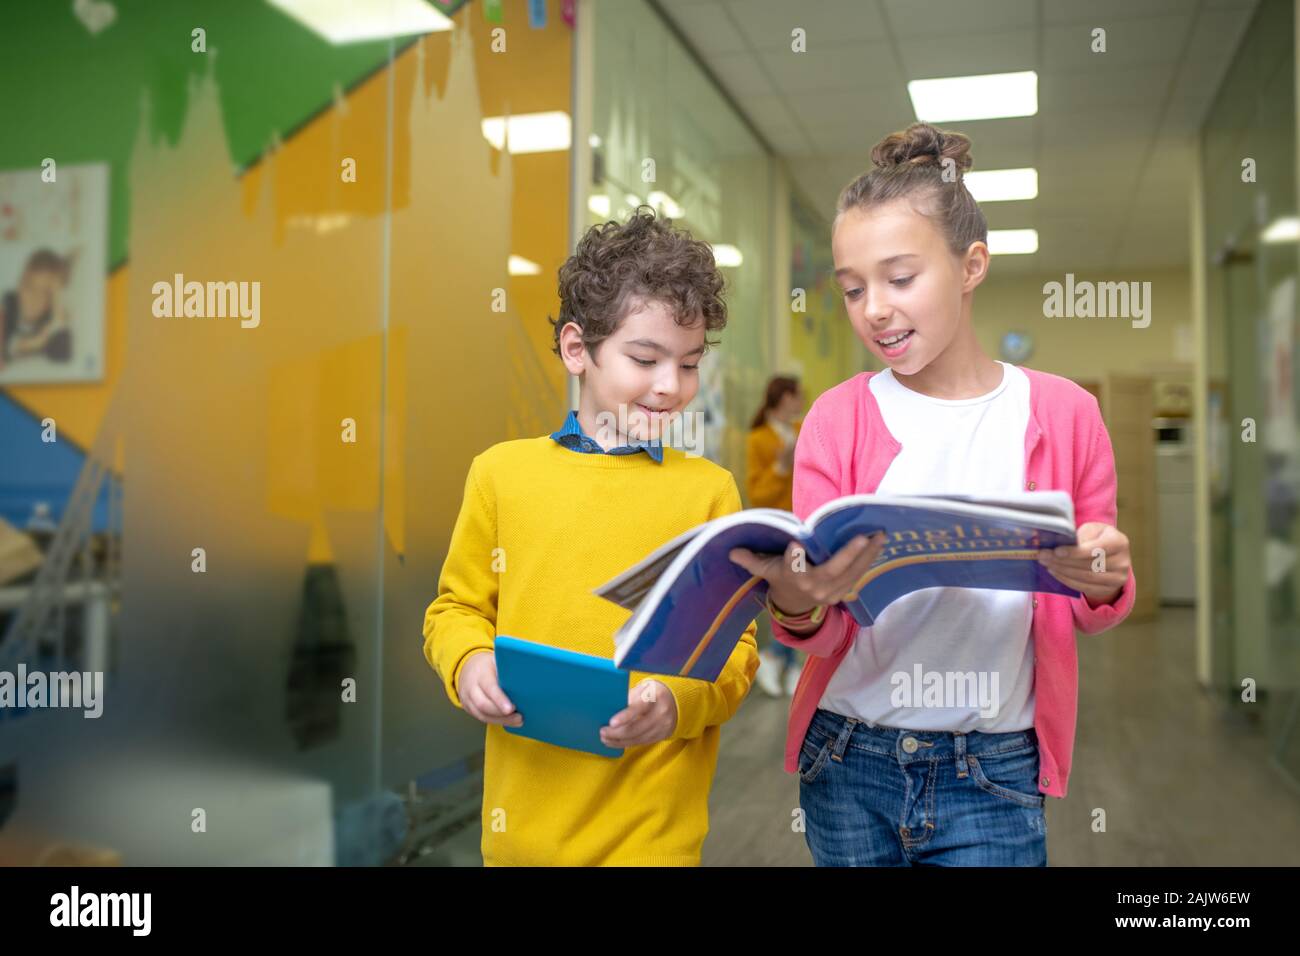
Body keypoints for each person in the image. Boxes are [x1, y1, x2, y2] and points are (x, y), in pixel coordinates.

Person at [730, 123, 1136, 866]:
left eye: (900, 278)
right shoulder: (836, 419)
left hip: (995, 769)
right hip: (846, 755)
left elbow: (1089, 599)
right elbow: (814, 626)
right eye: (852, 289)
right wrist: (795, 597)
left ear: (971, 264)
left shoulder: (1065, 413)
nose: (873, 308)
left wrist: (1104, 576)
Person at [423, 207, 758, 866]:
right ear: (578, 349)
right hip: (520, 837)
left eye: (689, 365)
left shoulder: (710, 492)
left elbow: (736, 650)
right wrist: (468, 663)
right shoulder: (500, 475)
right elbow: (454, 610)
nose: (670, 386)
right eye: (645, 358)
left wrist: (676, 700)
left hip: (651, 840)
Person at [746, 375, 805, 696]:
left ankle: (783, 659)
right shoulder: (758, 439)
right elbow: (759, 494)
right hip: (773, 530)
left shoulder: (801, 432)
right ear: (784, 398)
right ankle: (778, 658)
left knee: (799, 596)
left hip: (801, 527)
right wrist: (782, 466)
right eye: (798, 396)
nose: (802, 401)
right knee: (787, 597)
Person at [1, 248, 74, 370]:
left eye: (45, 293)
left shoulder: (49, 323)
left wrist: (57, 307)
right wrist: (30, 344)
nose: (35, 298)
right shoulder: (9, 303)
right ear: (20, 286)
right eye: (30, 288)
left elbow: (64, 355)